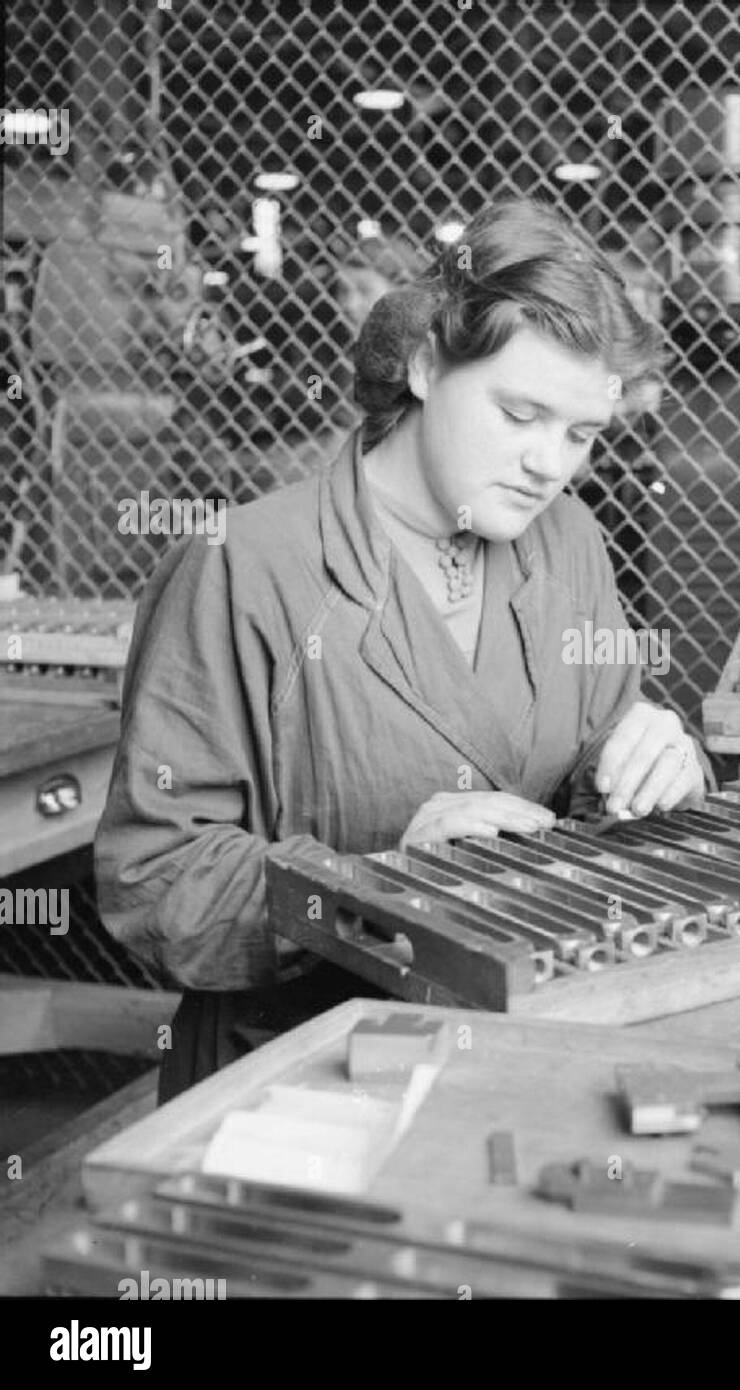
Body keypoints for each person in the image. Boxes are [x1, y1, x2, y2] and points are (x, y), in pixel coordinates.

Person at [95, 198, 708, 1101]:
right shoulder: (244, 569)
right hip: (306, 1075)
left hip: (532, 1043)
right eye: (520, 413)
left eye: (580, 435)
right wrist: (373, 884)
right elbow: (155, 879)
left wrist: (662, 762)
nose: (551, 465)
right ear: (426, 365)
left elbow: (603, 748)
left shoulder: (567, 538)